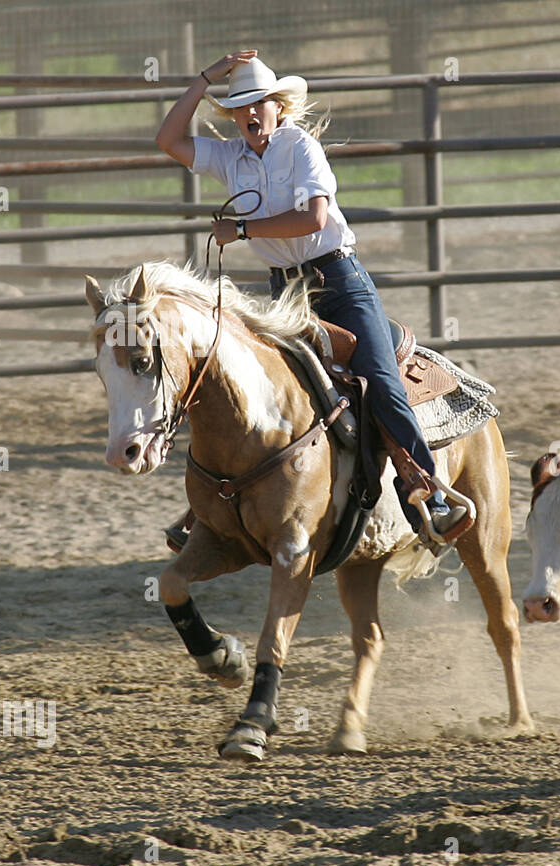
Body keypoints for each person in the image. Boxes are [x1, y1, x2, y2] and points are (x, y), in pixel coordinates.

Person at [155, 50, 463, 547]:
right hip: (285, 292)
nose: (250, 113)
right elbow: (166, 140)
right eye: (239, 106)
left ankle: (429, 494)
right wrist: (204, 78)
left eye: (259, 103)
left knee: (380, 381)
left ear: (278, 106)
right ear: (233, 114)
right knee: (254, 385)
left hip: (339, 284)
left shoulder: (299, 147)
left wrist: (241, 228)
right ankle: (210, 502)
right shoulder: (230, 155)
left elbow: (315, 219)